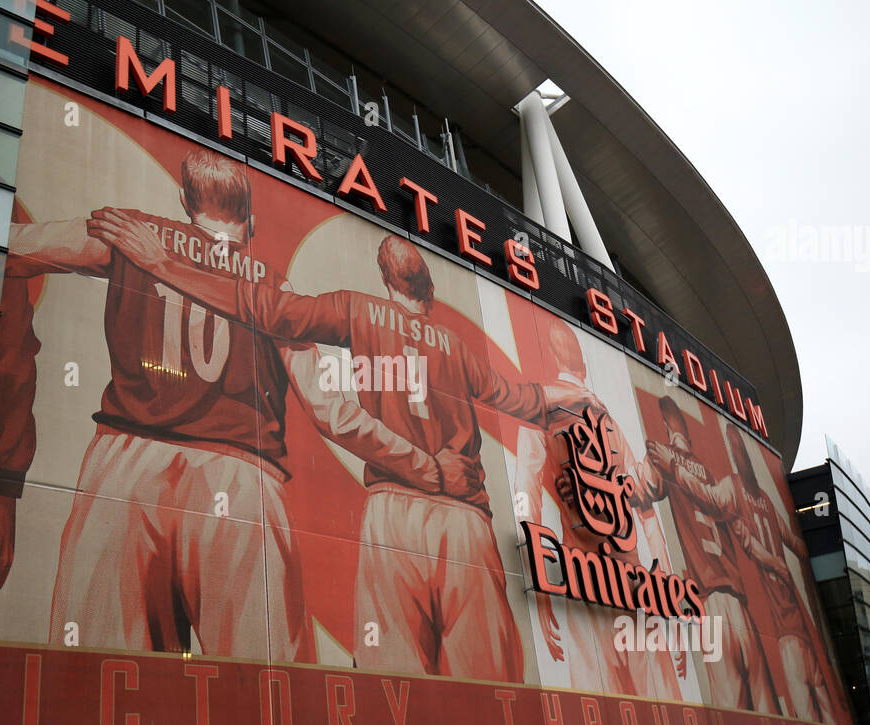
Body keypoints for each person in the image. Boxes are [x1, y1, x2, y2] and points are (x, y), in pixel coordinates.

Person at [0, 149, 481, 665]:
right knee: (266, 699)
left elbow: (5, 247)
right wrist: (430, 468)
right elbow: (335, 414)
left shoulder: (130, 234)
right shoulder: (274, 288)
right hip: (238, 483)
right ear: (251, 222)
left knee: (98, 682)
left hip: (124, 472)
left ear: (186, 201)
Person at [86, 212, 596, 682]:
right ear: (431, 288)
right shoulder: (458, 350)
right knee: (488, 690)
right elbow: (526, 401)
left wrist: (164, 265)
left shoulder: (356, 309)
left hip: (391, 511)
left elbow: (264, 309)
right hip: (462, 517)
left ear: (385, 279)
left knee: (392, 686)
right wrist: (582, 398)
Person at [514, 319, 685, 699]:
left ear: (552, 356)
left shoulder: (541, 407)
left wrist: (538, 585)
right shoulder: (606, 420)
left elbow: (525, 502)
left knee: (603, 717)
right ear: (584, 365)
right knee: (661, 715)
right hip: (631, 584)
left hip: (588, 586)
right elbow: (646, 502)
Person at [679, 423, 841, 723]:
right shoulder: (749, 494)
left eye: (740, 449)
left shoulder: (750, 495)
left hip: (788, 633)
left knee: (807, 719)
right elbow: (785, 545)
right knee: (810, 717)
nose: (740, 455)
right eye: (736, 449)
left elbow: (780, 543)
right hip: (783, 630)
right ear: (733, 453)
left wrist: (677, 472)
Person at [645, 396, 780, 713]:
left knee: (732, 713)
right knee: (767, 711)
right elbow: (744, 536)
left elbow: (643, 492)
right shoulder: (714, 479)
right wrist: (776, 563)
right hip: (740, 607)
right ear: (688, 434)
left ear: (666, 427)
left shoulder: (667, 463)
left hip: (708, 603)